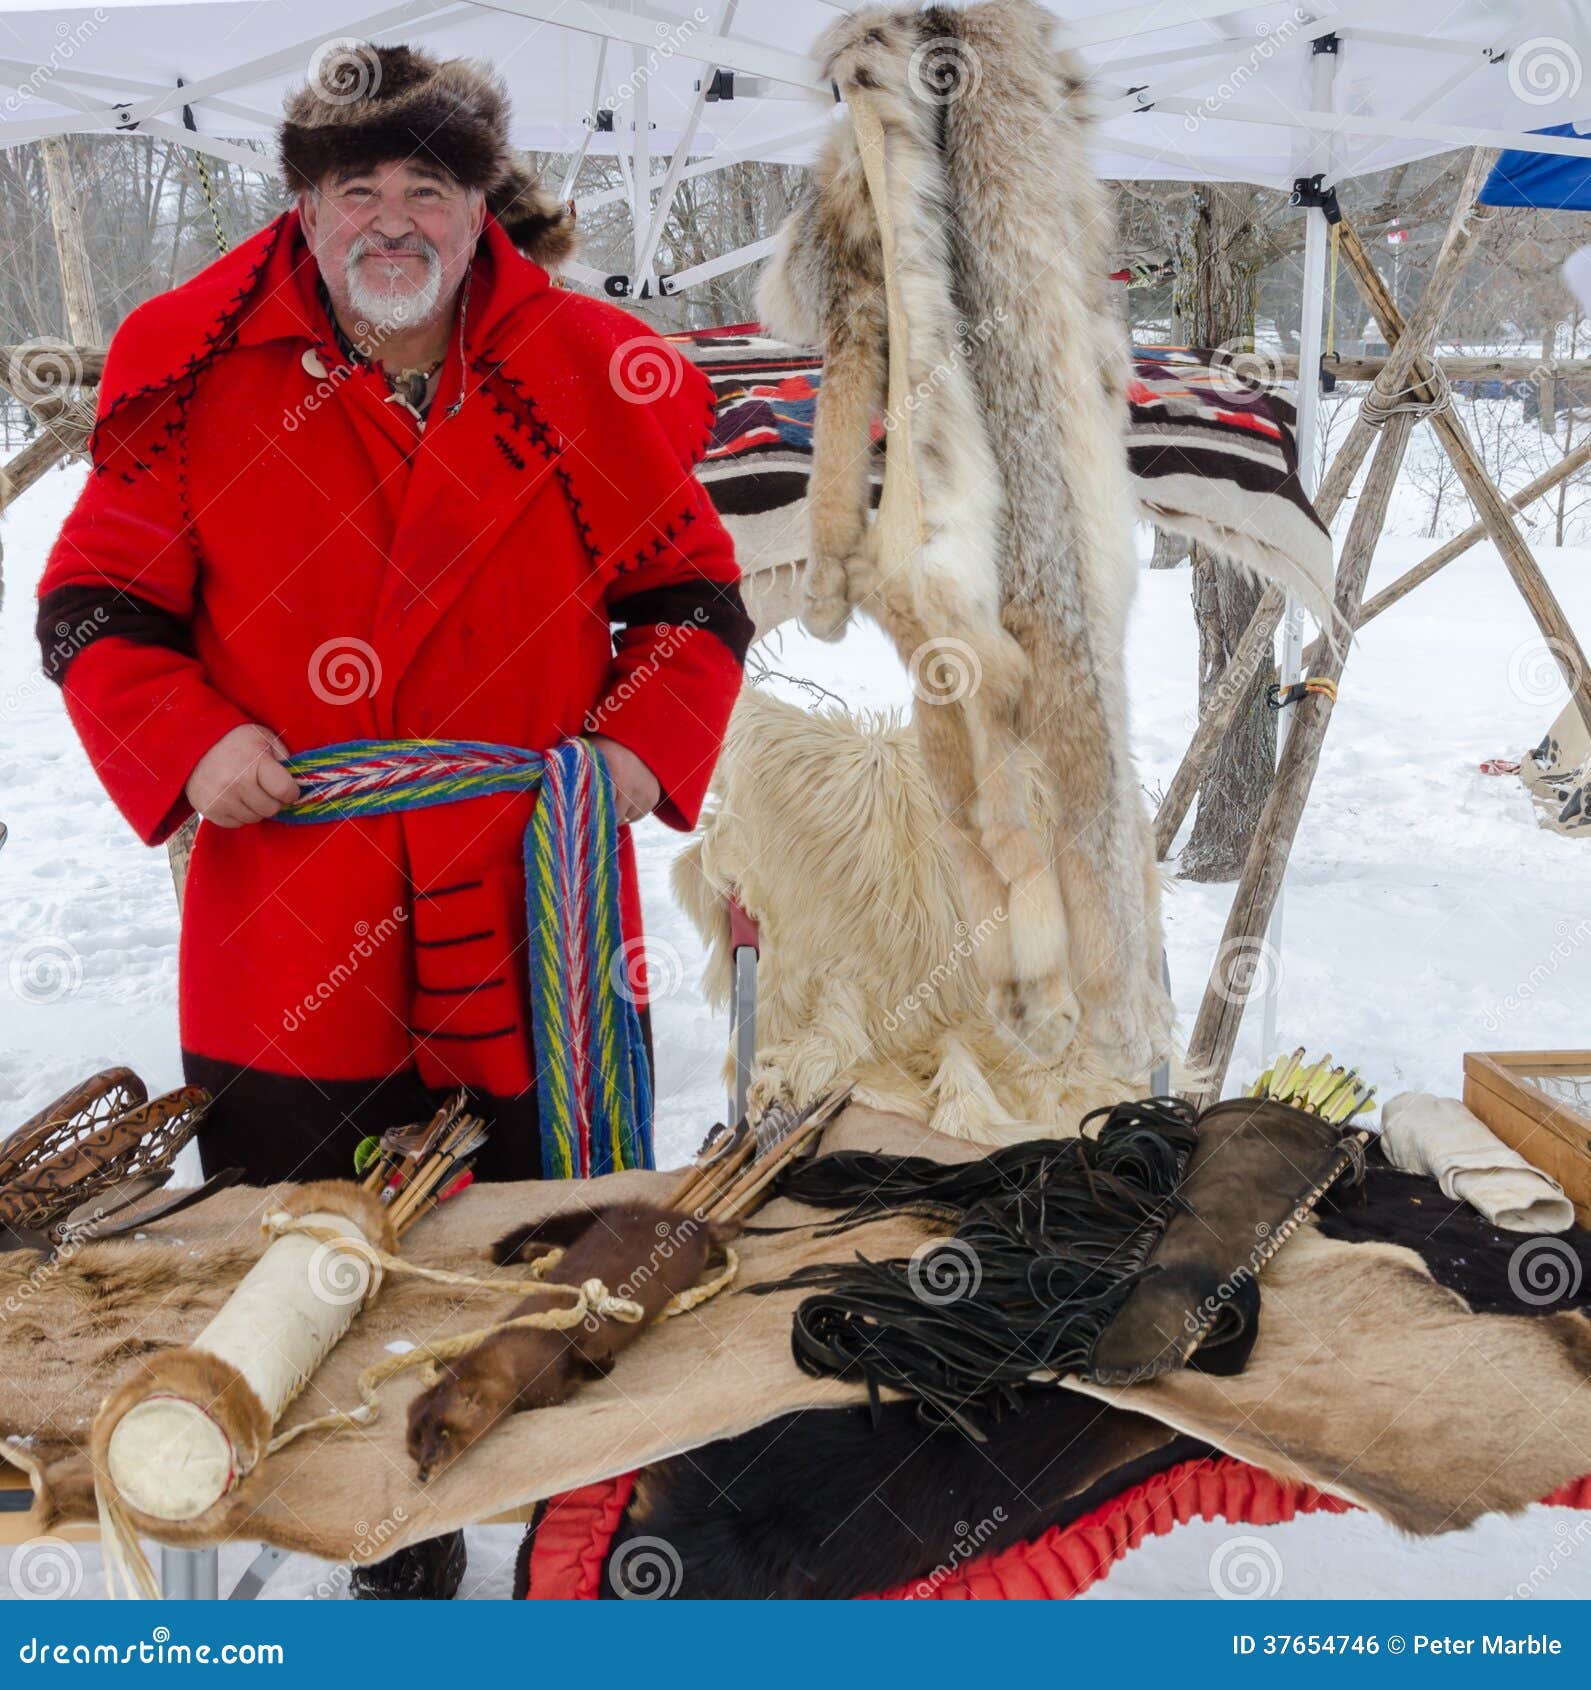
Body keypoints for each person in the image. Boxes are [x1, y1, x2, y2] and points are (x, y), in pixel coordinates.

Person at [36, 41, 750, 1597]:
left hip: (532, 894)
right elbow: (94, 604)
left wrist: (633, 753)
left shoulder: (583, 363)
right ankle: (346, 1551)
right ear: (304, 207)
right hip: (295, 909)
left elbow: (692, 598)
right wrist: (187, 734)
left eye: (428, 185)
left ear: (480, 203)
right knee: (306, 1264)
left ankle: (507, 1552)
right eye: (357, 186)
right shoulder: (197, 365)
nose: (392, 218)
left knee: (532, 1270)